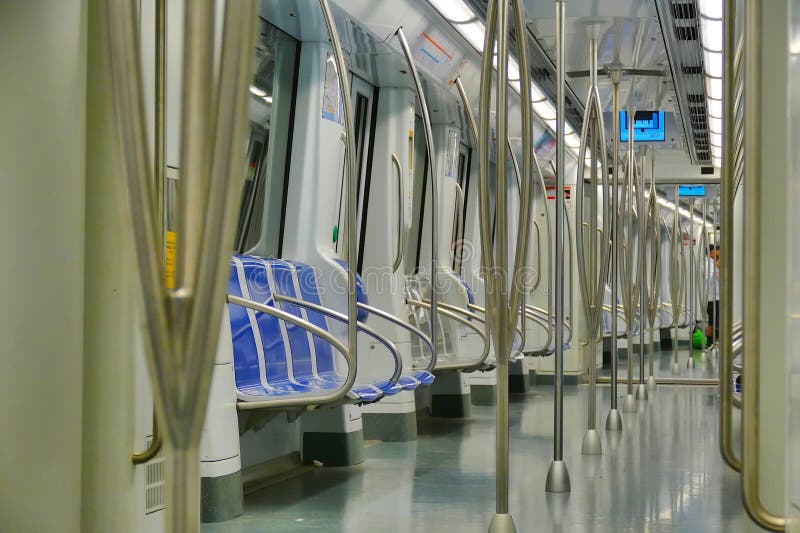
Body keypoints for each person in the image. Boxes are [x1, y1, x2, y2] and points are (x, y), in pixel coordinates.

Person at [706, 244, 720, 342]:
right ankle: (710, 340)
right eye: (717, 250)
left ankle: (715, 339)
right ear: (711, 252)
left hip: (717, 296)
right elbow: (708, 279)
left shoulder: (714, 263)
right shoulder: (707, 263)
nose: (718, 253)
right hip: (710, 297)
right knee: (712, 319)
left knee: (716, 319)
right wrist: (716, 267)